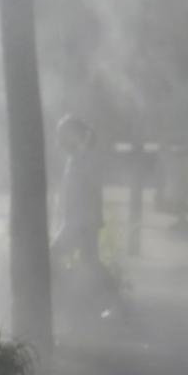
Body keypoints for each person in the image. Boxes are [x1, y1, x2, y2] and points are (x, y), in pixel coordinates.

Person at [53, 112, 106, 273]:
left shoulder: (83, 159)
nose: (59, 141)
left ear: (73, 136)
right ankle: (100, 292)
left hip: (78, 223)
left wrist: (88, 220)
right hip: (79, 221)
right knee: (89, 266)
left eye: (62, 135)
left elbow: (91, 191)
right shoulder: (77, 158)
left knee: (51, 257)